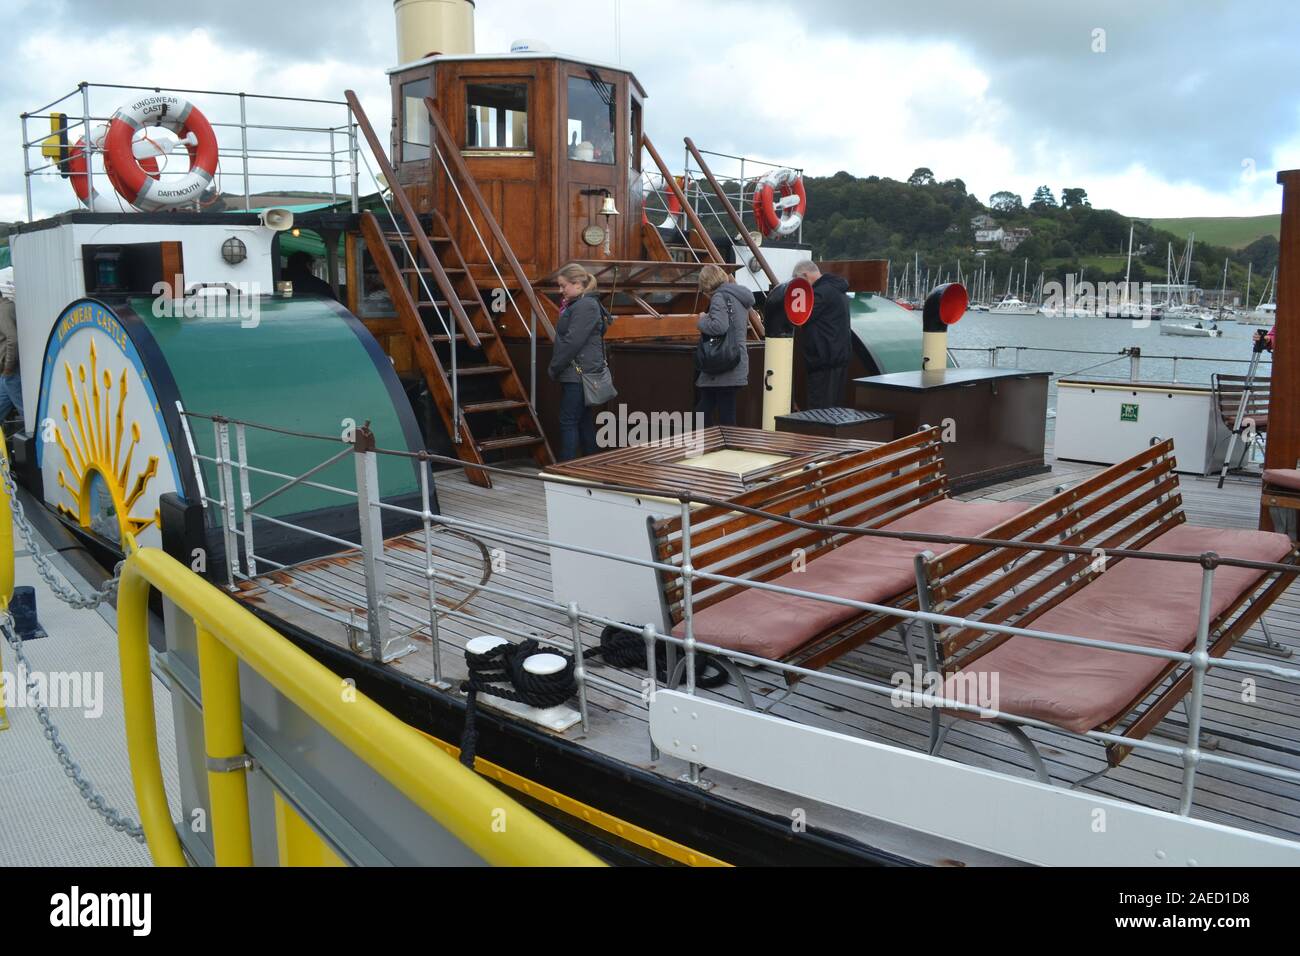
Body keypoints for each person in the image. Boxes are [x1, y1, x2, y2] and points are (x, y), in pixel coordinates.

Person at [548, 263, 613, 461]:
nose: (560, 291)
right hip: (582, 371)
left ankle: (567, 469)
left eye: (563, 285)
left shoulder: (585, 306)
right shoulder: (586, 304)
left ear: (577, 284)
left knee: (568, 421)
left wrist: (554, 367)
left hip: (578, 373)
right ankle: (590, 465)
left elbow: (572, 342)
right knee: (583, 421)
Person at [695, 264, 754, 426]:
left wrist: (702, 319)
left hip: (722, 364)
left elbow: (719, 326)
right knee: (724, 410)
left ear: (706, 283)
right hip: (735, 359)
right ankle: (723, 445)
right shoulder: (738, 296)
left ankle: (711, 445)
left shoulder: (719, 297)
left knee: (706, 411)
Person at [792, 260, 851, 409]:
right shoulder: (836, 289)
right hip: (838, 358)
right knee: (834, 408)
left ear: (805, 276)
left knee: (819, 411)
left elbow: (801, 318)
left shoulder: (819, 294)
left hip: (823, 361)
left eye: (797, 280)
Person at [0, 285, 23, 425]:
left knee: (28, 414)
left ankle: (38, 443)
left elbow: (12, 339)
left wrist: (8, 367)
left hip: (11, 372)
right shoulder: (8, 307)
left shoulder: (2, 311)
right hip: (7, 374)